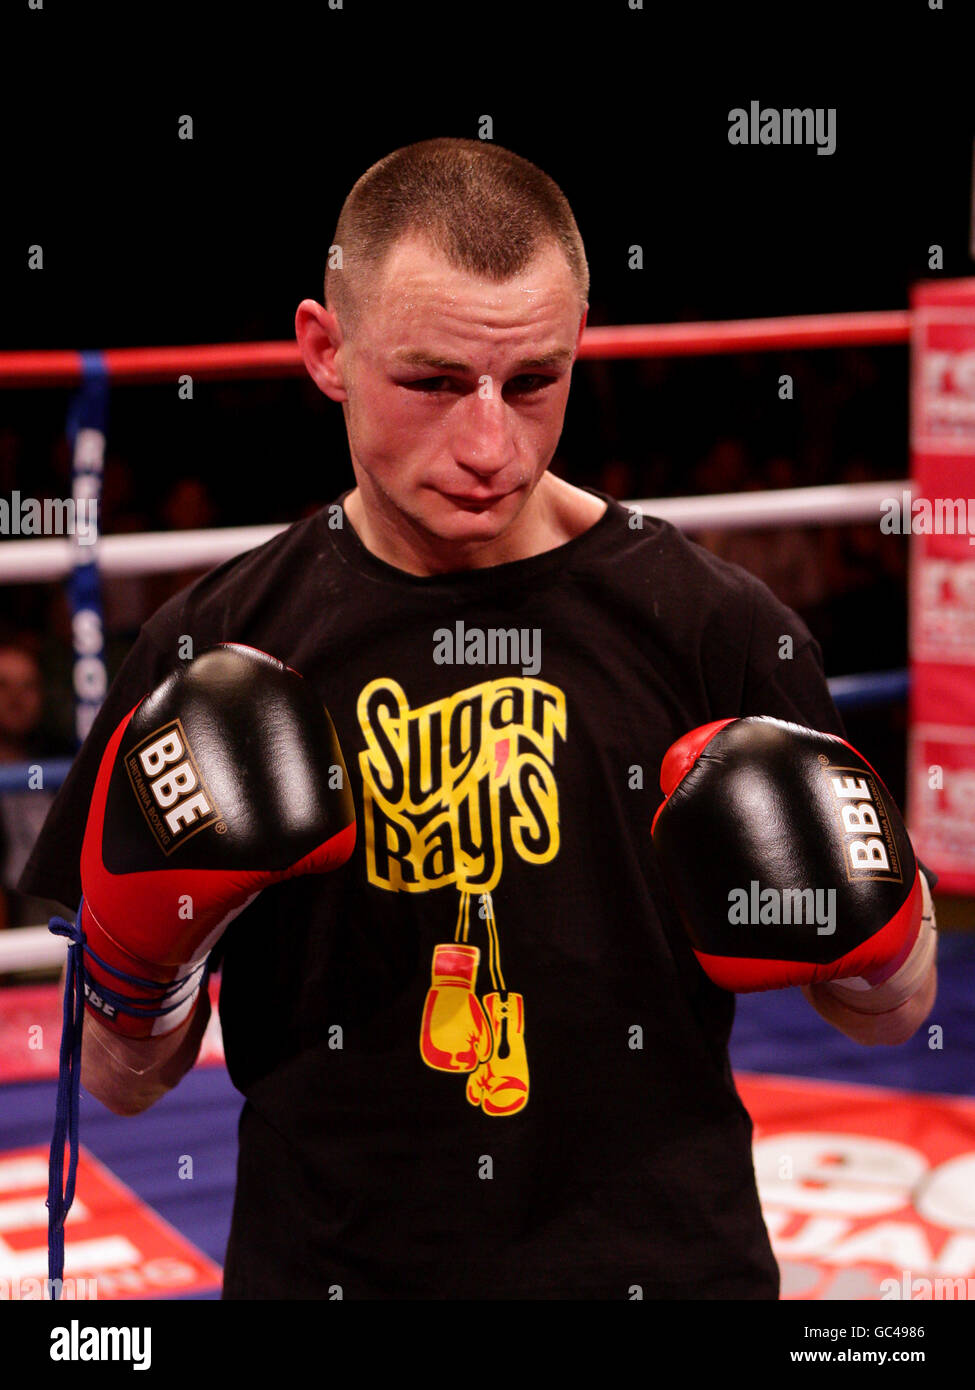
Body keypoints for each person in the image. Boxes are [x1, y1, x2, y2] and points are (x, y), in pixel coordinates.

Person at [19, 137, 936, 1300]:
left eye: (534, 382)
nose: (491, 444)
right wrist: (147, 956)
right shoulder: (209, 645)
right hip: (331, 1268)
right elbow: (120, 1079)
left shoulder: (715, 627)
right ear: (326, 349)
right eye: (436, 383)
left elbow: (891, 1011)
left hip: (667, 1268)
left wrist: (874, 927)